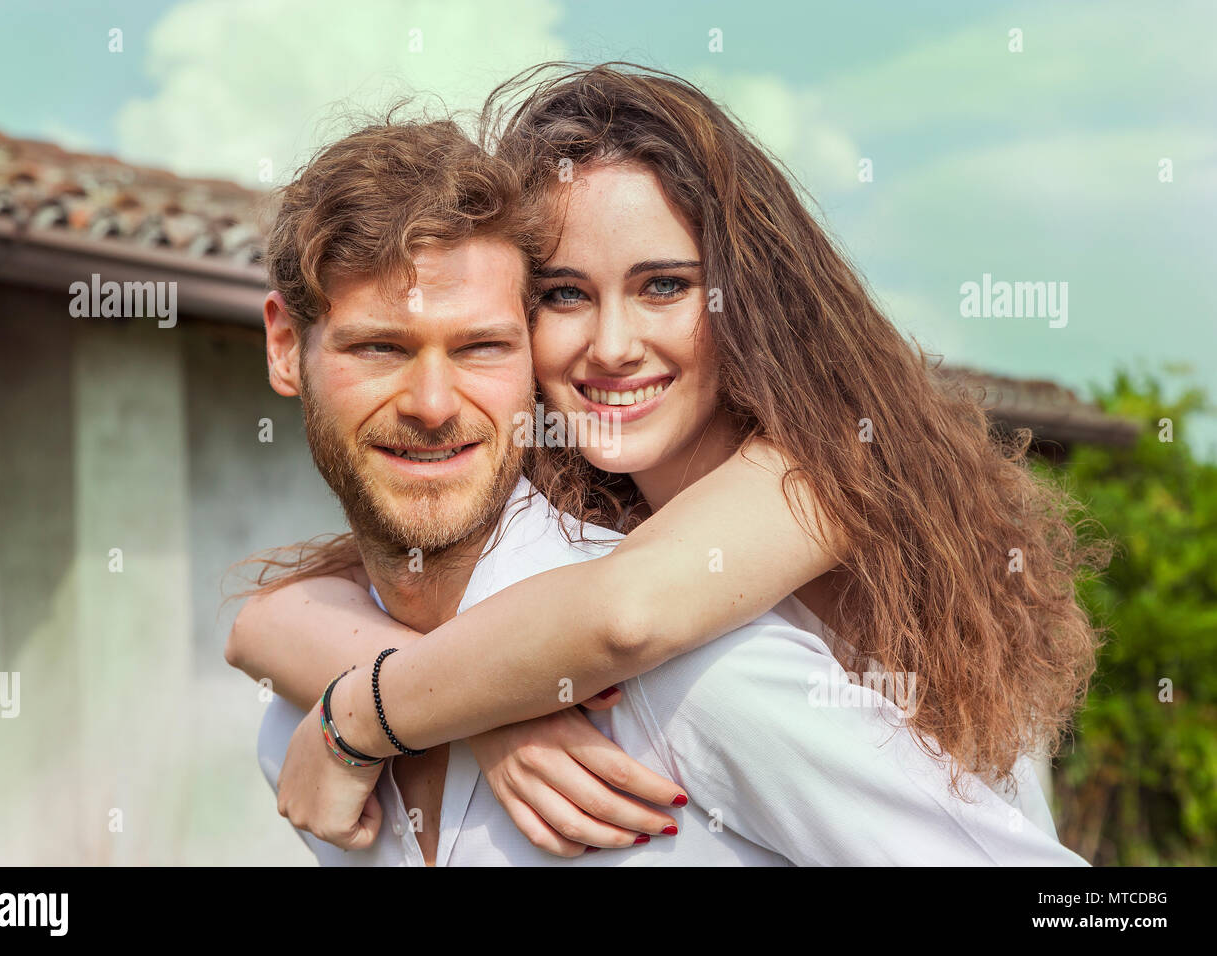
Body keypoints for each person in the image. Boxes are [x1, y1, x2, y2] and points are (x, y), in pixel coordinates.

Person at [228, 64, 1103, 865]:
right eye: (565, 294)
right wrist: (474, 712)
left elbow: (623, 616)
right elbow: (275, 617)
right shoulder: (559, 546)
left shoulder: (822, 477)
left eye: (664, 286)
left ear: (750, 300)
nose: (612, 345)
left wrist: (370, 720)